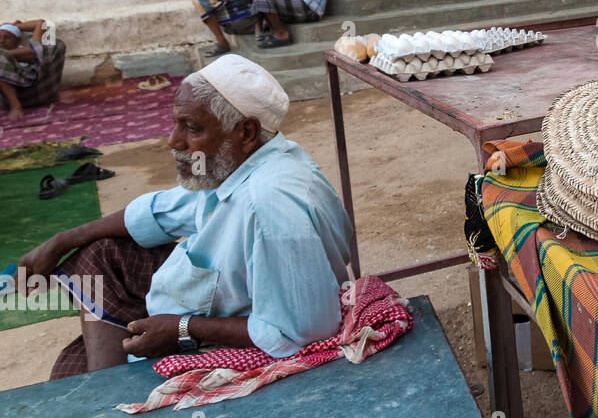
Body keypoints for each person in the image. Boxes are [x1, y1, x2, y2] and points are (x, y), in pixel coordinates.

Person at [16, 55, 353, 379]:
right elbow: (158, 212)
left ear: (246, 132)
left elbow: (302, 330)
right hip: (212, 304)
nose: (172, 141)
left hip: (241, 336)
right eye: (176, 124)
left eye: (190, 127)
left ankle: (109, 394)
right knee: (101, 253)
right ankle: (108, 379)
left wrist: (182, 329)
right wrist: (63, 240)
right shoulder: (245, 162)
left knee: (71, 376)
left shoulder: (267, 205)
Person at [0, 19, 55, 121]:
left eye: (7, 37)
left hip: (27, 86)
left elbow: (41, 23)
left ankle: (15, 106)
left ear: (18, 40)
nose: (1, 41)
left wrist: (16, 27)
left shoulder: (27, 51)